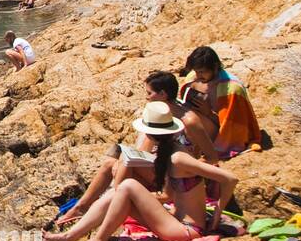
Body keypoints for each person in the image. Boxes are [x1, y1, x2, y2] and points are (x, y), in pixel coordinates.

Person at [45, 102, 238, 241]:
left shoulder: (178, 157)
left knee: (127, 186)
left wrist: (217, 216)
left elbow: (230, 178)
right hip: (174, 221)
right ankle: (71, 236)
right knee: (118, 192)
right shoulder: (168, 151)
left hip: (187, 230)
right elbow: (170, 195)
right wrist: (139, 197)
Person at [57, 71, 219, 224]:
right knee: (114, 160)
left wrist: (188, 172)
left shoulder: (188, 120)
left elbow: (212, 157)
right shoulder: (159, 114)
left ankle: (90, 207)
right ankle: (83, 207)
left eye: (149, 93)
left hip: (171, 176)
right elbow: (144, 152)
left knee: (112, 165)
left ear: (163, 94)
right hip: (156, 166)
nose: (146, 97)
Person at [180, 46, 261, 157]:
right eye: (196, 71)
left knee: (191, 120)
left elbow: (232, 127)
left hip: (219, 132)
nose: (198, 75)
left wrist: (209, 113)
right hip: (197, 125)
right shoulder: (192, 78)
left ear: (215, 67)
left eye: (202, 72)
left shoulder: (231, 89)